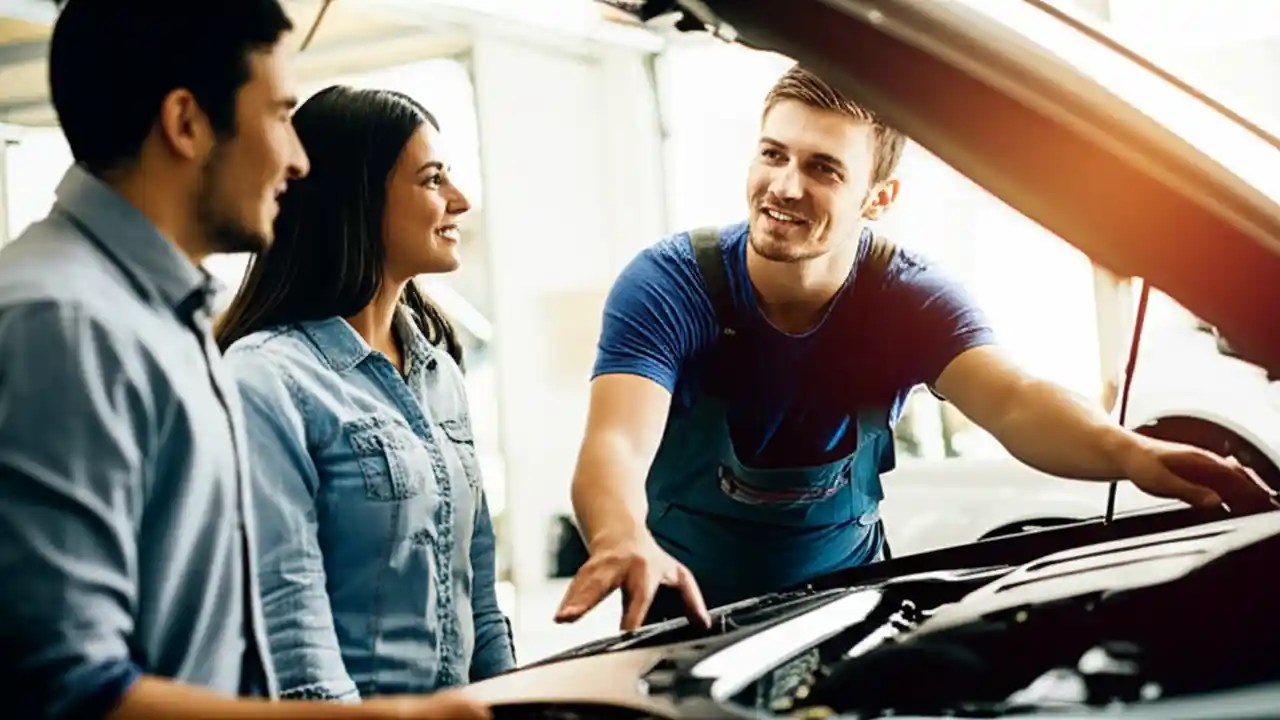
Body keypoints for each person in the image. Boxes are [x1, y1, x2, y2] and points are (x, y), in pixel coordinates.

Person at [554, 64, 1276, 631]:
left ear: (880, 197)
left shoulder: (907, 296)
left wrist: (1132, 453)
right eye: (773, 154)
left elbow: (1015, 400)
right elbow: (615, 442)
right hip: (682, 620)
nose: (784, 186)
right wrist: (619, 535)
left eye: (823, 168)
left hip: (841, 615)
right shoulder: (672, 283)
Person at [0, 2, 485, 718]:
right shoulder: (64, 323)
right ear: (186, 123)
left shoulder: (160, 317)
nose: (298, 160)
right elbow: (65, 688)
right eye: (280, 116)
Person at [216, 85, 515, 700]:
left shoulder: (440, 373)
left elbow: (478, 593)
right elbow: (290, 621)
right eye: (432, 179)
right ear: (356, 199)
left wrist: (518, 703)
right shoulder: (267, 377)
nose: (460, 201)